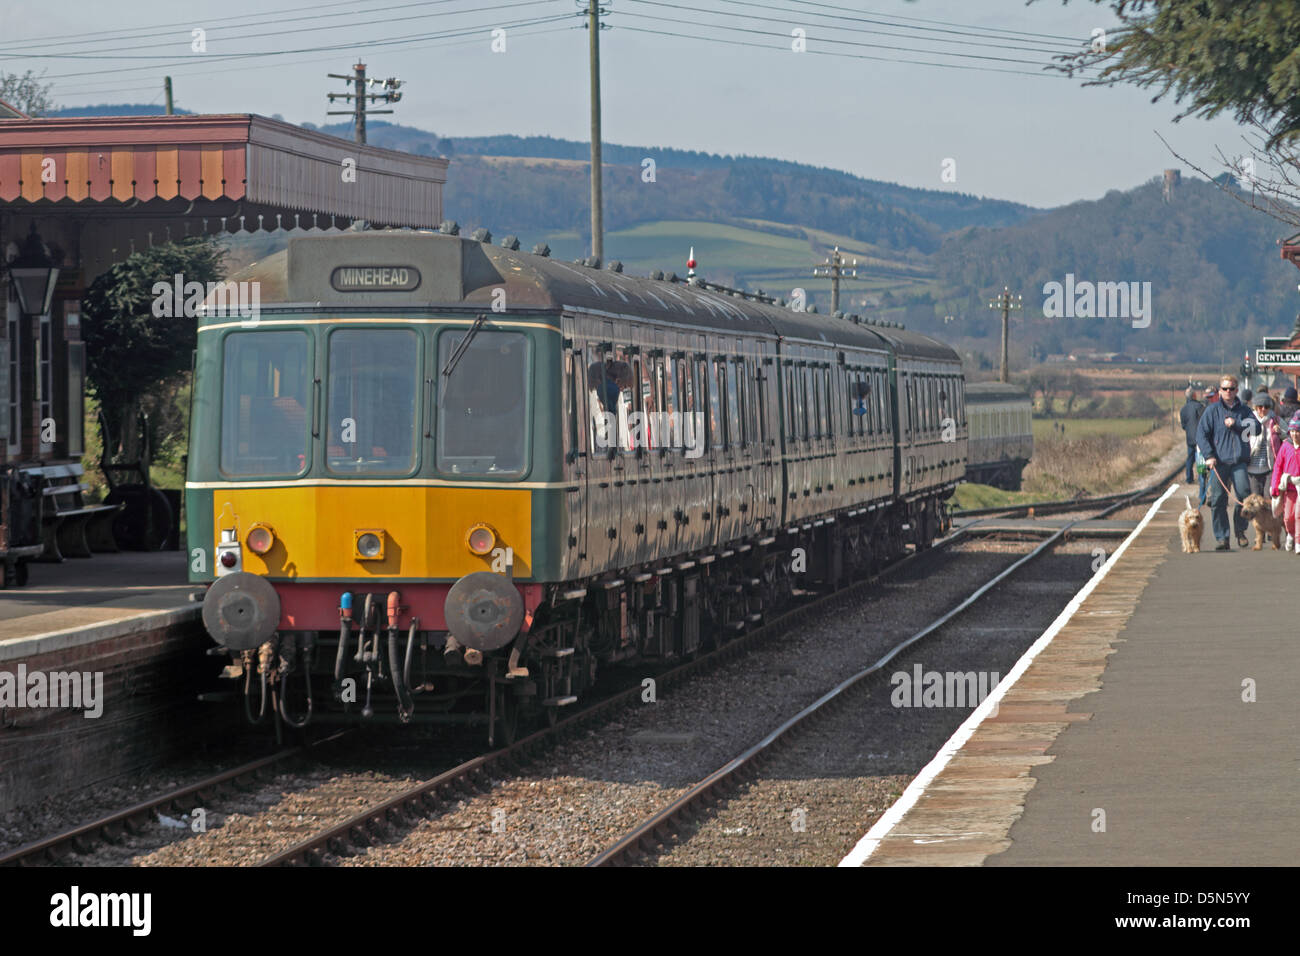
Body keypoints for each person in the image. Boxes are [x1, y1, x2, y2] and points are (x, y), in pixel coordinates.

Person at [1196, 375, 1254, 550]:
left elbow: (1256, 428)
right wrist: (1209, 456)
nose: (1228, 392)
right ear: (1219, 390)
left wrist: (1237, 424)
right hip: (1219, 462)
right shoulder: (1212, 411)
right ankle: (1222, 537)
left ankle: (1240, 530)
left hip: (1238, 462)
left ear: (1237, 390)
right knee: (1218, 500)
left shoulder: (1244, 410)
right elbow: (1201, 435)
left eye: (1231, 388)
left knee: (1244, 495)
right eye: (1224, 388)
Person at [1271, 411, 1300, 551]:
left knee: (1299, 515)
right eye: (1293, 431)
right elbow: (1278, 466)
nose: (1295, 434)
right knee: (1288, 517)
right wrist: (1275, 486)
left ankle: (1298, 543)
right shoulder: (1286, 446)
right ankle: (1290, 534)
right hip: (1288, 487)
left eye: (1298, 431)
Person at [1245, 393, 1282, 498]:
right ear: (1255, 407)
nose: (1263, 409)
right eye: (1260, 406)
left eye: (1266, 406)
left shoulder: (1275, 420)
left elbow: (1288, 435)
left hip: (1268, 468)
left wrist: (1280, 432)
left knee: (1268, 499)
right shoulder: (1249, 421)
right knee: (1255, 500)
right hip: (1252, 468)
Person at [1179, 386, 1205, 482]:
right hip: (1200, 437)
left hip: (1189, 438)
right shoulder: (1200, 406)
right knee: (1200, 457)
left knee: (1190, 458)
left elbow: (1183, 425)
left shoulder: (1183, 409)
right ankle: (1201, 477)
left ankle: (1189, 478)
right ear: (1194, 395)